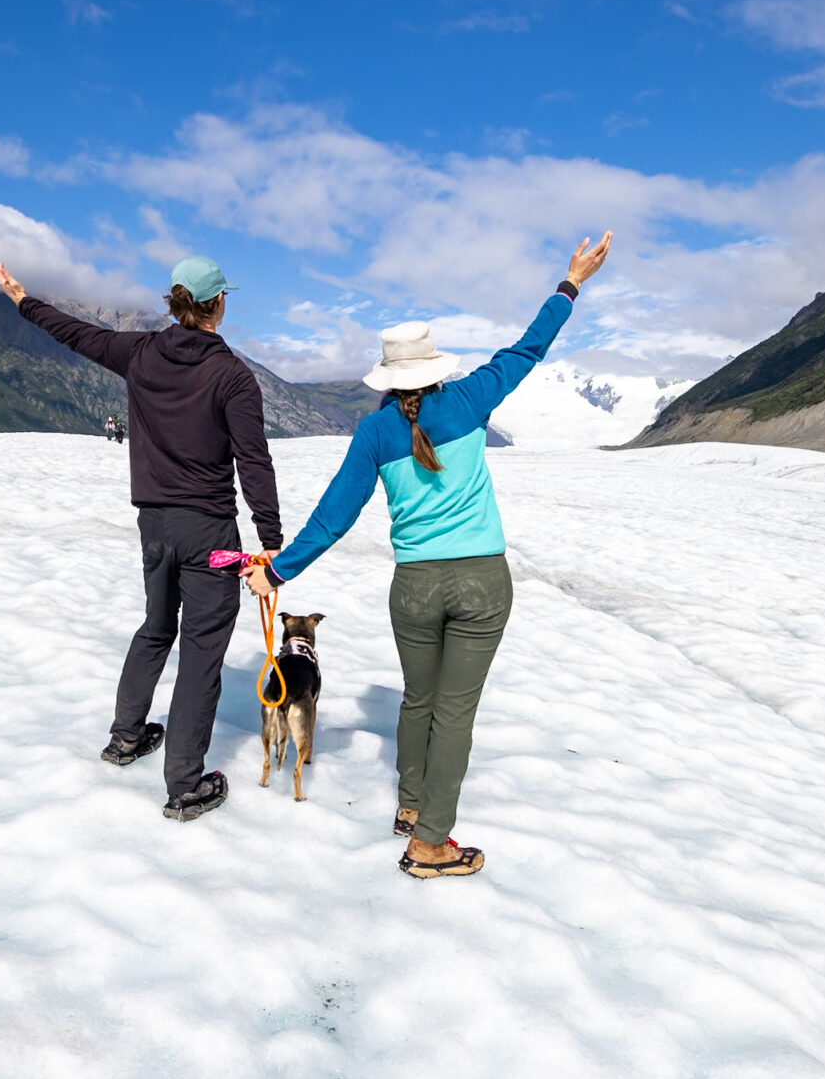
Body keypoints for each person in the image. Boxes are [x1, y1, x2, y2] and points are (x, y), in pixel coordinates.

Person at [246, 232, 612, 877]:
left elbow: (334, 517)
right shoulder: (470, 399)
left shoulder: (374, 429)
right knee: (455, 712)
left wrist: (276, 571)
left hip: (412, 587)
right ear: (435, 366)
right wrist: (570, 283)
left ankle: (411, 806)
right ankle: (429, 843)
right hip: (480, 581)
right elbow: (528, 347)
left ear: (388, 376)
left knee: (419, 698)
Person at [0, 255, 282, 822]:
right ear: (220, 303)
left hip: (153, 525)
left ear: (175, 303)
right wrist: (270, 541)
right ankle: (185, 786)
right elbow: (253, 459)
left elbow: (74, 333)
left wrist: (23, 300)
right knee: (201, 653)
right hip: (211, 533)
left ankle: (126, 739)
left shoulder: (140, 353)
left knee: (156, 626)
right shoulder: (234, 376)